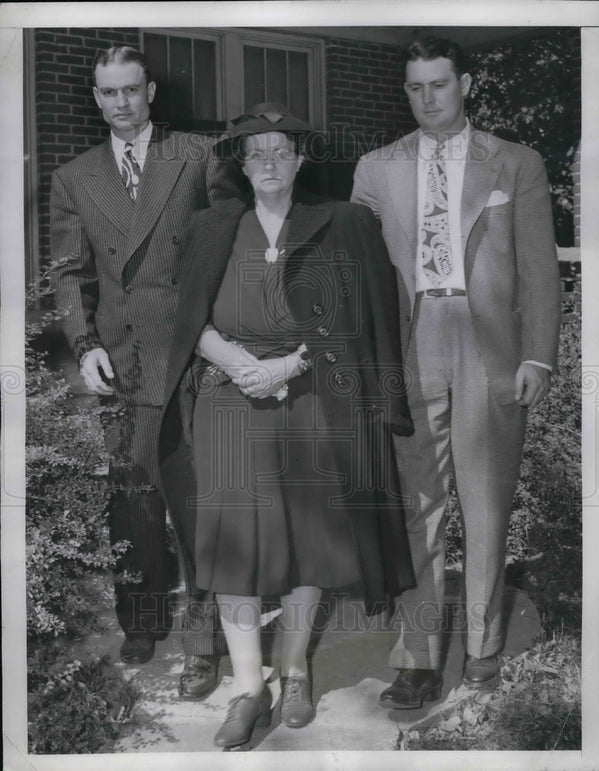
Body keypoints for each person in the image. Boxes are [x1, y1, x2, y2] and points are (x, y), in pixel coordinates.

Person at [158, 103, 415, 748]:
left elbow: (358, 321)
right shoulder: (212, 226)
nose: (267, 163)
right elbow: (187, 319)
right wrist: (241, 363)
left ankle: (294, 667)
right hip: (227, 400)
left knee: (308, 538)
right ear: (240, 166)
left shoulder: (342, 223)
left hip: (312, 400)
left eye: (280, 150)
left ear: (301, 158)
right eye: (254, 153)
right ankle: (249, 687)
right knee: (231, 545)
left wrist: (287, 366)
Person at [351, 35, 561, 707]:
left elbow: (539, 266)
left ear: (465, 84)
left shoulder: (516, 162)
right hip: (414, 346)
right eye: (413, 87)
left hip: (490, 346)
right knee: (420, 509)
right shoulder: (376, 168)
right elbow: (362, 279)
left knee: (486, 507)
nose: (425, 98)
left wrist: (537, 354)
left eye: (437, 84)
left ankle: (482, 651)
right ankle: (417, 658)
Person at [50, 45, 238, 697]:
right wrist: (82, 342)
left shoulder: (195, 156)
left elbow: (230, 249)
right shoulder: (74, 177)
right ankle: (142, 618)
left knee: (194, 504)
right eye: (108, 93)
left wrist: (221, 340)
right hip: (120, 360)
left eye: (131, 90)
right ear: (96, 98)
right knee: (132, 501)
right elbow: (70, 275)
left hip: (186, 355)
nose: (121, 103)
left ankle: (203, 643)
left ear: (150, 92)